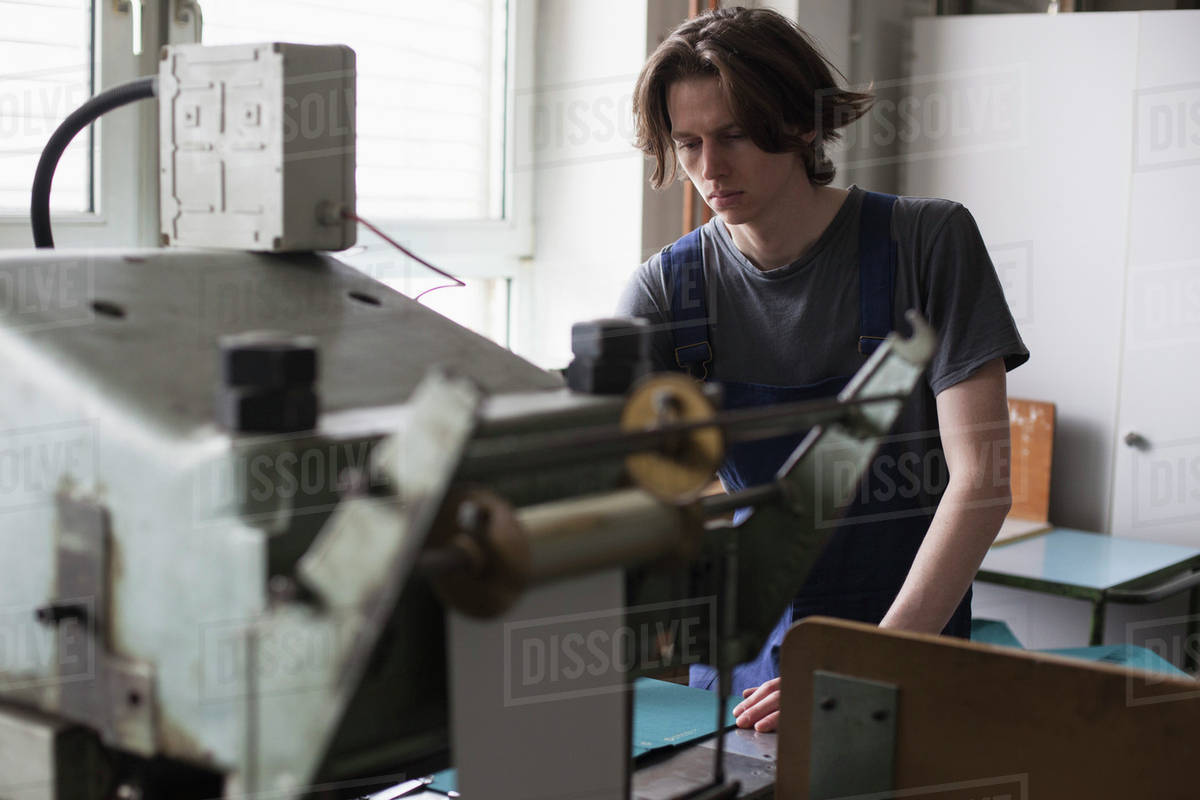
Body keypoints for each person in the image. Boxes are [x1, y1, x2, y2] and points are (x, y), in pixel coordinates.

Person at [616, 7, 1029, 734]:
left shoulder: (928, 243)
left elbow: (984, 480)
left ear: (803, 126)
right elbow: (621, 490)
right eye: (689, 144)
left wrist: (881, 657)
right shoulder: (666, 293)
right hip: (745, 667)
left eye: (735, 136)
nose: (710, 168)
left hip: (909, 640)